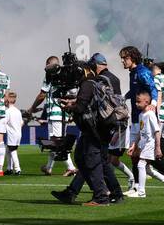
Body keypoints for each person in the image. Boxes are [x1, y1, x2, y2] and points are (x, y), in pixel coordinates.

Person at [51, 58, 122, 206]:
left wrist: (69, 107)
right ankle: (109, 193)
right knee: (82, 158)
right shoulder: (92, 83)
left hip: (95, 130)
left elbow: (81, 107)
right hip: (96, 129)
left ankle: (101, 197)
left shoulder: (88, 84)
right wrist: (72, 103)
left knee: (92, 161)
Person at [28, 56, 76, 176]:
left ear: (50, 65)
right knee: (56, 142)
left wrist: (32, 108)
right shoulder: (67, 76)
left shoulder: (50, 75)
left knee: (56, 143)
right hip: (64, 113)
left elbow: (42, 95)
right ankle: (49, 167)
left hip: (55, 114)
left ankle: (71, 167)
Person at [128, 90, 164, 197]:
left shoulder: (150, 114)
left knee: (141, 164)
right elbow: (140, 133)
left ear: (146, 102)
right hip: (143, 145)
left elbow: (157, 132)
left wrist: (157, 148)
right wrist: (134, 145)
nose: (136, 103)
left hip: (150, 143)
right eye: (136, 101)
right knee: (147, 169)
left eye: (138, 101)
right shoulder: (141, 115)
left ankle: (141, 192)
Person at [3, 91, 24, 174]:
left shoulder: (7, 111)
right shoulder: (18, 111)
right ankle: (9, 168)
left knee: (12, 151)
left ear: (7, 100)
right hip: (18, 133)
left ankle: (17, 169)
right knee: (8, 150)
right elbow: (21, 123)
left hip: (12, 134)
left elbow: (4, 123)